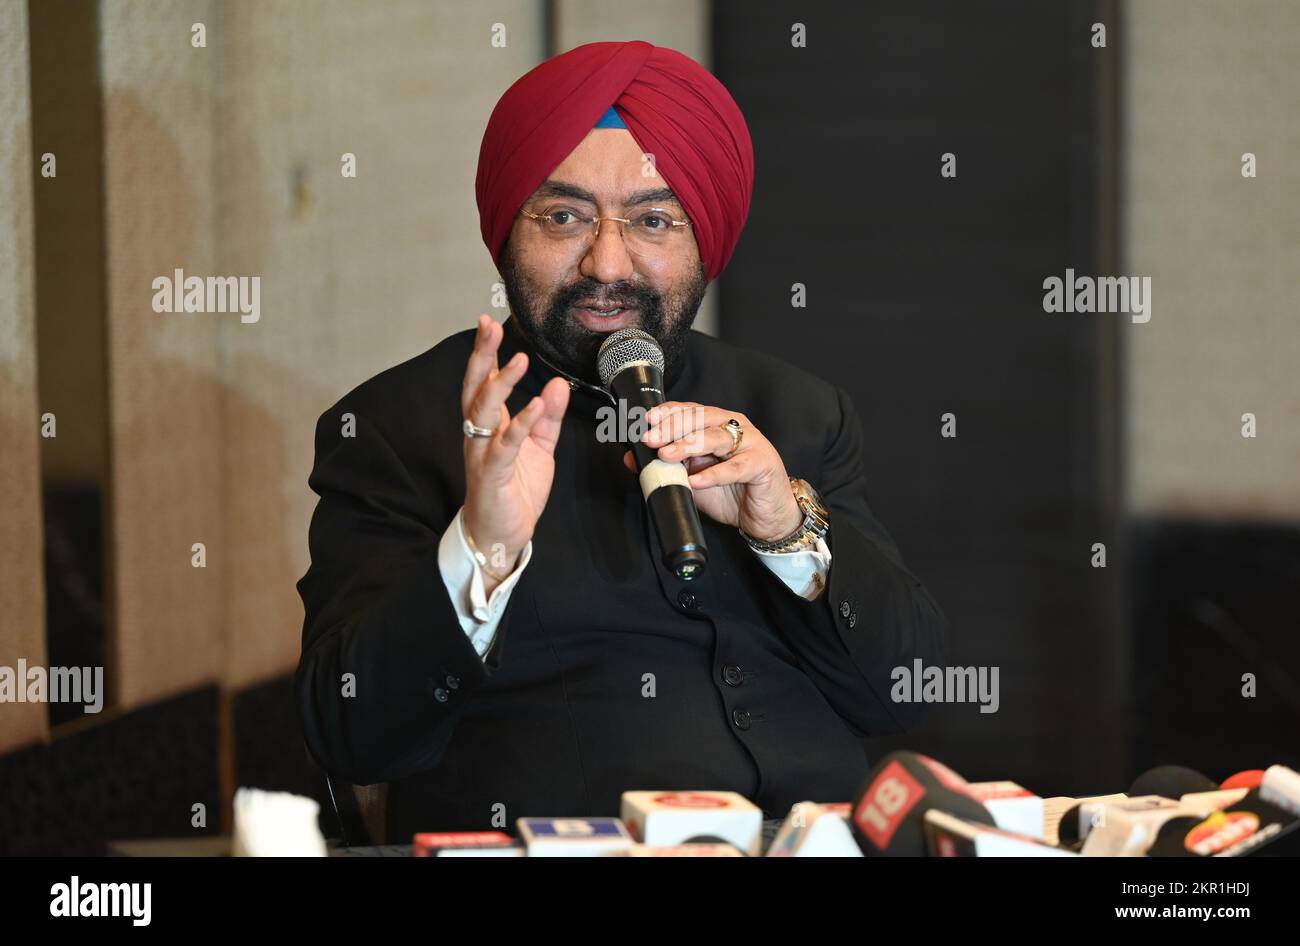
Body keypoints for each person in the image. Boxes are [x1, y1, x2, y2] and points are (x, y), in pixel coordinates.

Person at [295, 40, 948, 841]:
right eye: (564, 216)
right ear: (506, 232)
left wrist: (787, 528)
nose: (607, 263)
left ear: (706, 237)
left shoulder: (796, 411)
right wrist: (481, 548)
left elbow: (906, 692)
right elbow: (350, 735)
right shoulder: (399, 426)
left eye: (653, 220)